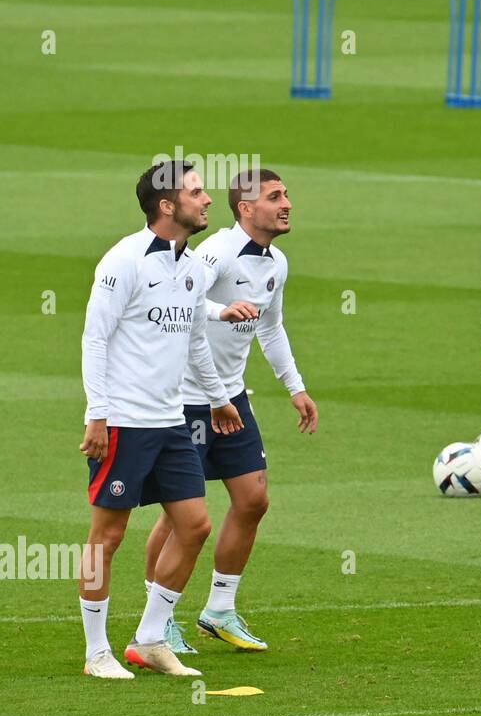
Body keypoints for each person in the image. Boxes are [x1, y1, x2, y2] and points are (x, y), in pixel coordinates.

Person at [79, 160, 243, 678]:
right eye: (197, 192)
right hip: (125, 421)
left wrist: (217, 398)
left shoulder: (193, 268)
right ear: (167, 206)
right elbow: (95, 338)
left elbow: (194, 341)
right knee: (107, 537)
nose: (208, 200)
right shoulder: (123, 261)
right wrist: (98, 414)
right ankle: (95, 651)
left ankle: (150, 639)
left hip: (173, 422)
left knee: (194, 525)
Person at [144, 168, 318, 654]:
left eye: (287, 195)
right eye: (275, 197)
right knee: (180, 515)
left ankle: (220, 610)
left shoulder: (275, 262)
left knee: (253, 499)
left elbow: (272, 328)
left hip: (231, 397)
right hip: (186, 399)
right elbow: (179, 303)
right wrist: (223, 310)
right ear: (245, 208)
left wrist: (295, 387)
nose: (287, 204)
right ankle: (159, 620)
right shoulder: (216, 253)